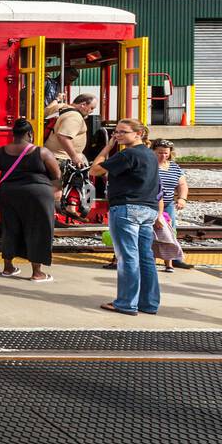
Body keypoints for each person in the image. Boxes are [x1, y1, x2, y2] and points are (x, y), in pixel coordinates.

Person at [90, 118, 161, 316]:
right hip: (148, 209)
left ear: (138, 134)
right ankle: (149, 303)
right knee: (145, 257)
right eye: (116, 132)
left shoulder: (127, 154)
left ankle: (126, 303)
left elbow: (95, 169)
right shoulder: (149, 154)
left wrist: (106, 148)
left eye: (123, 132)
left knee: (127, 257)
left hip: (127, 208)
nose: (117, 135)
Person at [0, 118, 60, 282]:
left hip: (9, 194)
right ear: (30, 134)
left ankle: (8, 268)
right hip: (38, 195)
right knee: (38, 230)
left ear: (13, 134)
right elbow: (56, 176)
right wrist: (56, 192)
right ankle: (37, 273)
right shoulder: (42, 152)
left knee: (10, 229)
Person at [151, 139, 193, 271]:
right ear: (153, 152)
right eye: (159, 153)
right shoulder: (149, 166)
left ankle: (173, 260)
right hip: (151, 203)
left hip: (168, 203)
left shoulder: (174, 166)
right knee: (150, 232)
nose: (163, 156)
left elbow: (182, 184)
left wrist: (182, 199)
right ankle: (149, 258)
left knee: (170, 231)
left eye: (165, 153)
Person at [45, 93, 96, 167]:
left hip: (52, 155)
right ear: (83, 104)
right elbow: (63, 137)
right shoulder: (74, 116)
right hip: (63, 159)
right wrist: (74, 157)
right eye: (91, 108)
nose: (92, 111)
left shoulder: (61, 107)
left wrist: (57, 100)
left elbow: (46, 110)